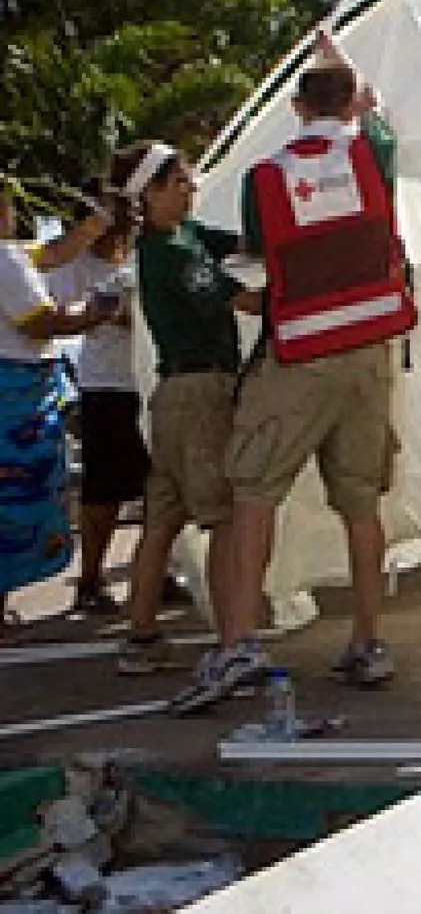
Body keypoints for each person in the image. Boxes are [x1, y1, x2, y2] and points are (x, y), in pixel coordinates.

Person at [171, 34, 415, 715]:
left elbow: (259, 254)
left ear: (296, 105)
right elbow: (374, 116)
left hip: (301, 349)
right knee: (361, 499)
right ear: (355, 101)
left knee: (253, 490)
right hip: (369, 351)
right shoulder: (373, 152)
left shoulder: (268, 176)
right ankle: (369, 640)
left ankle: (241, 641)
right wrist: (352, 74)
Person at [112, 142, 261, 676]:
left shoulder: (185, 238)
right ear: (149, 193)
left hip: (173, 399)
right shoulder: (170, 252)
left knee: (163, 519)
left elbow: (246, 244)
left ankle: (141, 636)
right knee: (222, 518)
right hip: (200, 396)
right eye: (178, 183)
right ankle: (232, 641)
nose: (191, 189)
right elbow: (240, 300)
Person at [0, 175, 122, 634]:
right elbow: (40, 321)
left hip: (15, 386)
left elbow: (53, 254)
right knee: (14, 500)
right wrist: (96, 312)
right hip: (15, 393)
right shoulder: (4, 261)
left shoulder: (12, 255)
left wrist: (93, 225)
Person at [44, 193, 147, 614]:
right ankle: (90, 577)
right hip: (105, 384)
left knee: (157, 486)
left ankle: (151, 573)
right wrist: (97, 316)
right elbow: (53, 310)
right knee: (103, 490)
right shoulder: (77, 266)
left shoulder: (141, 256)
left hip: (146, 380)